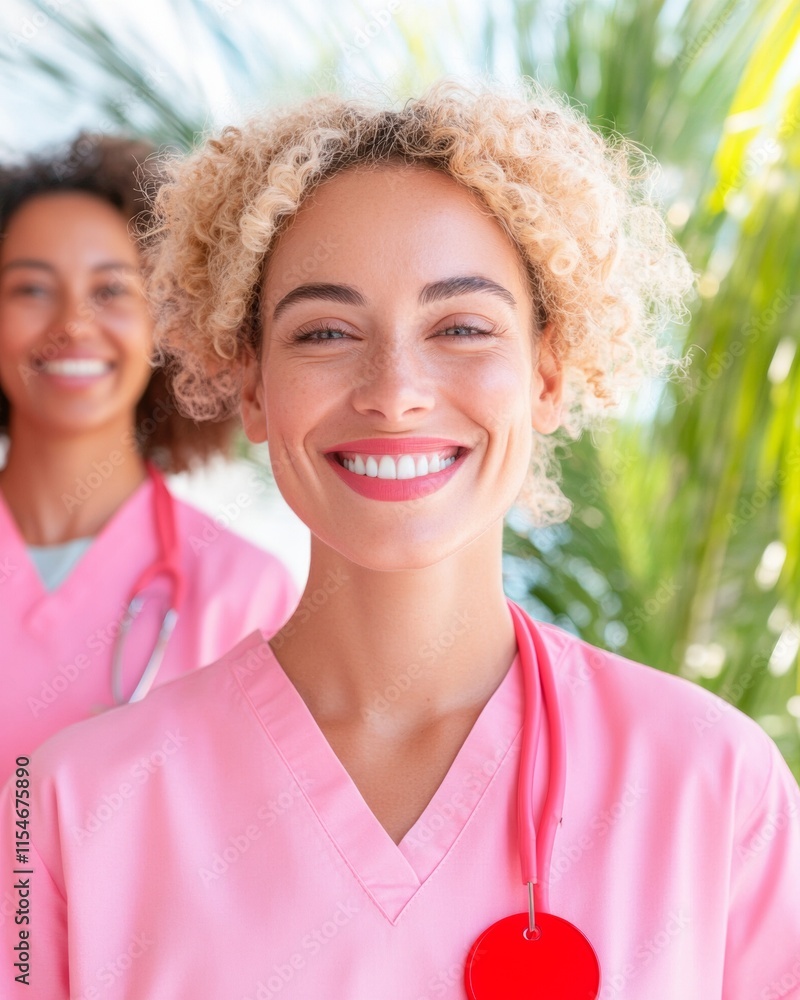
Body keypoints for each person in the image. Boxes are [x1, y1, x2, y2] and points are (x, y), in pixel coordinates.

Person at [2, 82, 799, 999]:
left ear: (547, 372)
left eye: (461, 326)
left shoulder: (714, 785)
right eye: (326, 332)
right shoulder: (65, 811)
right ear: (251, 385)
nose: (395, 389)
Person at [0, 134, 297, 777]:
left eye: (110, 291)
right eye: (30, 288)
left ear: (165, 326)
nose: (73, 326)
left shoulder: (243, 597)